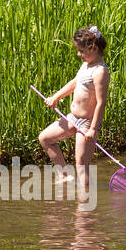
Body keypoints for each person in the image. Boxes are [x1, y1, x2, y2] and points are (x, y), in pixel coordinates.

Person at [39, 26, 109, 186]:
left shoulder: (100, 71)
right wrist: (56, 96)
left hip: (86, 123)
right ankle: (64, 176)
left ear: (94, 48)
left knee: (81, 165)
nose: (79, 54)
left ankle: (85, 204)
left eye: (82, 51)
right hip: (72, 118)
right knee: (45, 139)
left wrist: (93, 129)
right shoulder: (86, 65)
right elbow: (74, 83)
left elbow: (101, 103)